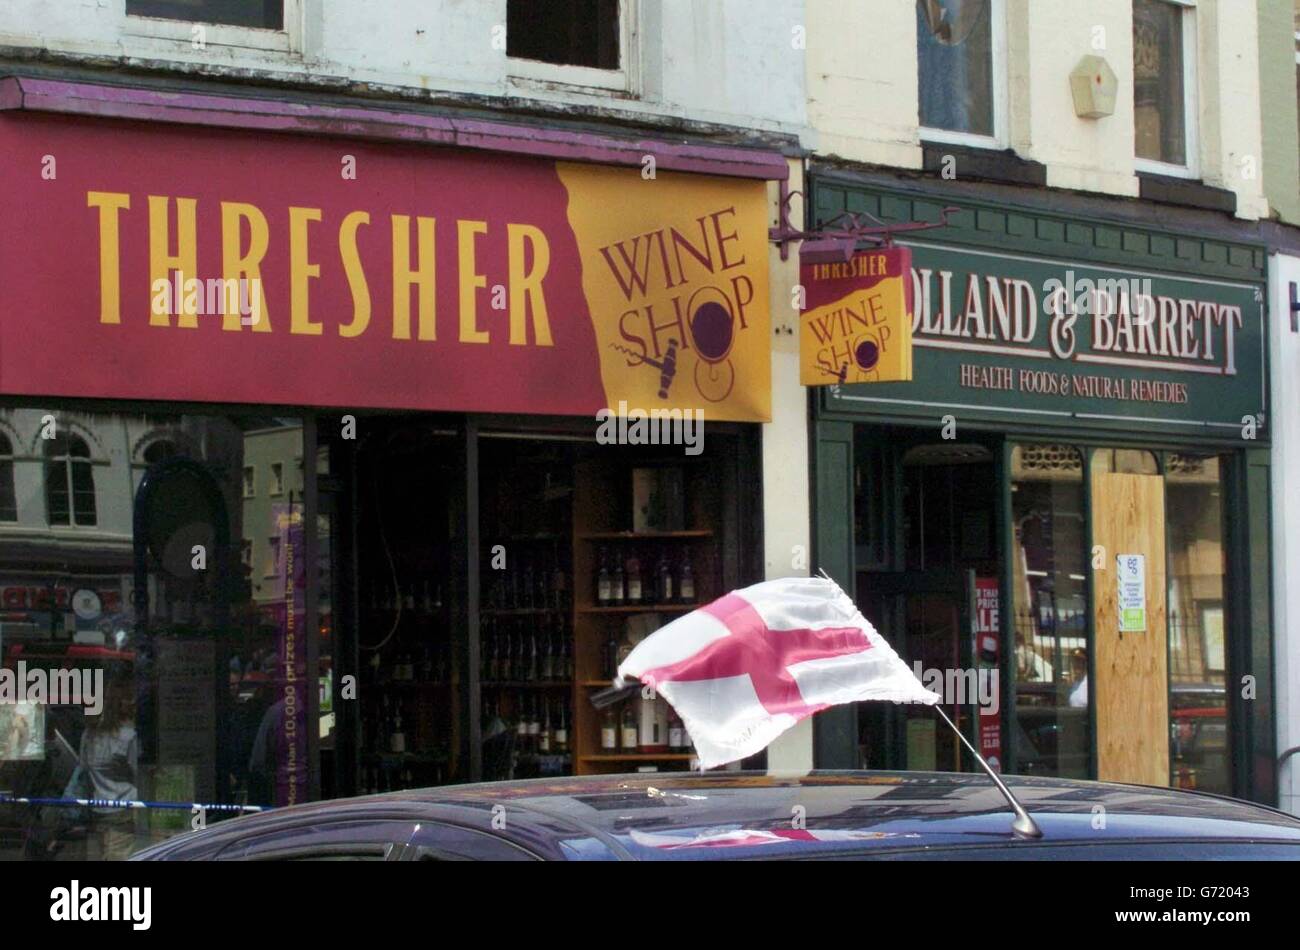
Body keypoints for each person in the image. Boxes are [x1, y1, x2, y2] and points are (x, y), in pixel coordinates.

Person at [63, 674, 139, 860]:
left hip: (96, 807)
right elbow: (136, 773)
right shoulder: (128, 736)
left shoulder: (89, 735)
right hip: (123, 808)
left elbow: (83, 770)